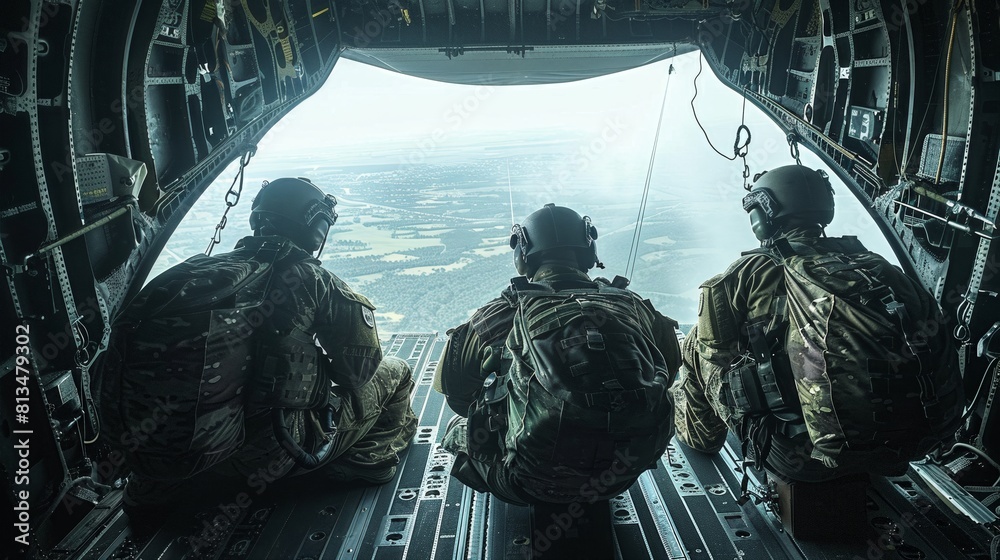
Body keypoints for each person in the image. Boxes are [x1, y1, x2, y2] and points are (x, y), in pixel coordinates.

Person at [102, 177, 417, 515]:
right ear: (316, 228)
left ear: (257, 219)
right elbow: (358, 373)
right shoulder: (313, 279)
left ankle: (161, 484)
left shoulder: (197, 272)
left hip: (179, 455)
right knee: (397, 372)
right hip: (273, 453)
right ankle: (368, 461)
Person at [671, 165, 964, 484]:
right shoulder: (878, 266)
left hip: (798, 460)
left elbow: (717, 355)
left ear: (763, 215)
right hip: (903, 452)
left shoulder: (749, 272)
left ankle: (699, 438)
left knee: (696, 342)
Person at [434, 203, 681, 505]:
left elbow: (457, 395)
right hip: (620, 477)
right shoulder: (632, 306)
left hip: (527, 483)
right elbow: (667, 373)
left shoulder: (497, 316)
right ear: (588, 251)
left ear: (522, 254)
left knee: (455, 430)